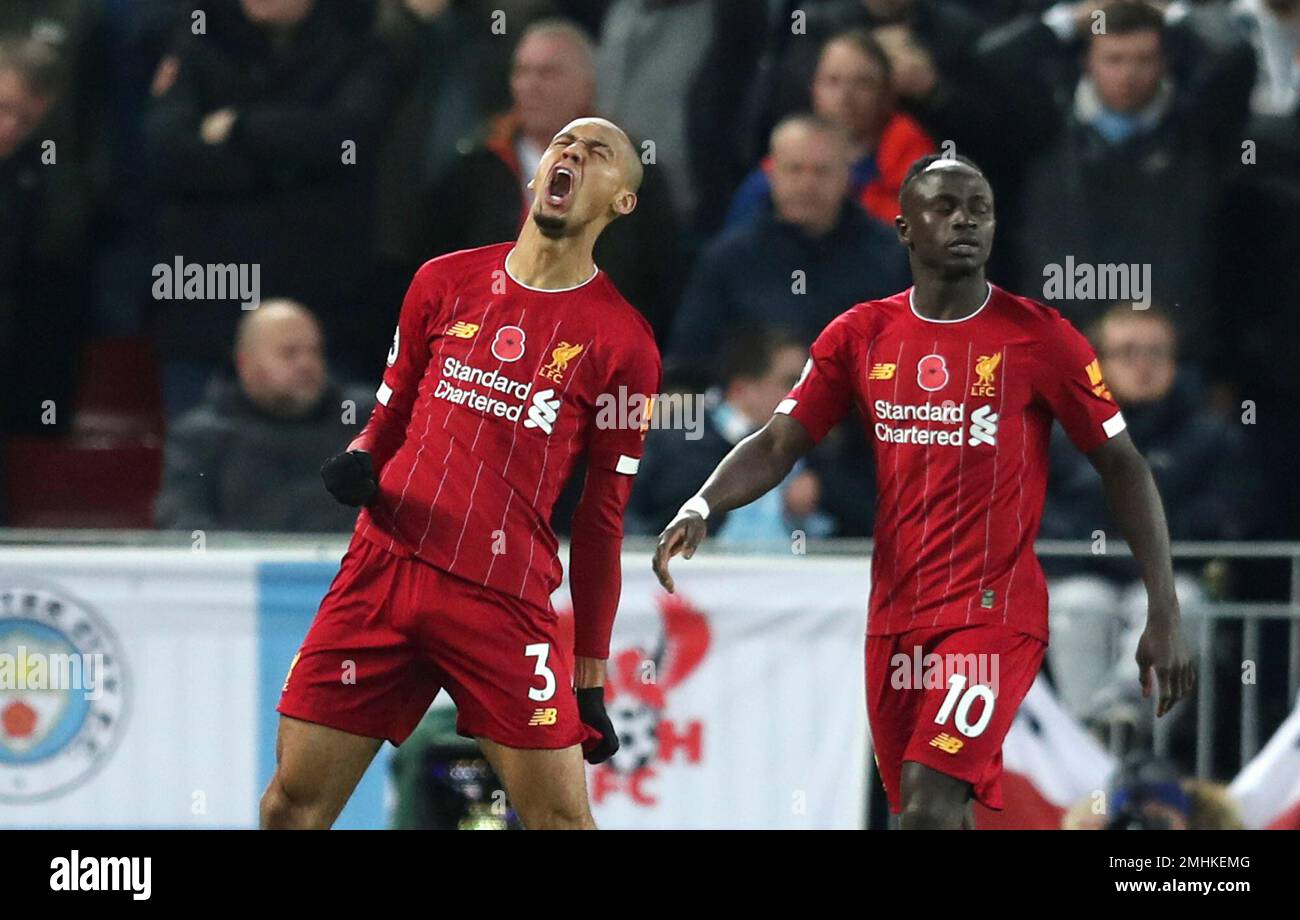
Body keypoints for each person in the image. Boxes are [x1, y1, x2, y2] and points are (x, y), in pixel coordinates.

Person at [652, 153, 1196, 830]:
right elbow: (777, 442)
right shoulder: (860, 335)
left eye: (979, 208)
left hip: (993, 614)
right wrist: (703, 504)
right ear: (905, 228)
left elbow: (1124, 465)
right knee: (930, 811)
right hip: (895, 615)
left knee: (928, 804)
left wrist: (1164, 609)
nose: (964, 219)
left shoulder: (1042, 337)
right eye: (943, 207)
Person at [263, 117, 661, 830]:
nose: (572, 152)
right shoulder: (442, 280)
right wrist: (359, 461)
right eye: (564, 144)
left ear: (620, 201)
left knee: (561, 822)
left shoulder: (623, 343)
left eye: (597, 152)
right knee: (293, 805)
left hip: (500, 600)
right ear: (540, 174)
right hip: (383, 567)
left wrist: (591, 671)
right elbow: (387, 419)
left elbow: (602, 518)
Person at [666, 114, 910, 384]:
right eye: (794, 169)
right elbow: (689, 364)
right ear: (771, 174)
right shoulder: (729, 258)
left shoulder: (894, 257)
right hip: (754, 419)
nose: (807, 184)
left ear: (847, 176)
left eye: (821, 171)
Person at [154, 300, 374, 533]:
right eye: (289, 353)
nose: (306, 364)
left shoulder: (363, 421)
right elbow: (181, 524)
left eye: (314, 351)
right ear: (245, 363)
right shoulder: (201, 438)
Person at [725, 29, 934, 230]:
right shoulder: (770, 182)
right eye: (833, 81)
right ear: (814, 90)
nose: (845, 97)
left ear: (887, 95)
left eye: (863, 83)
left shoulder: (919, 175)